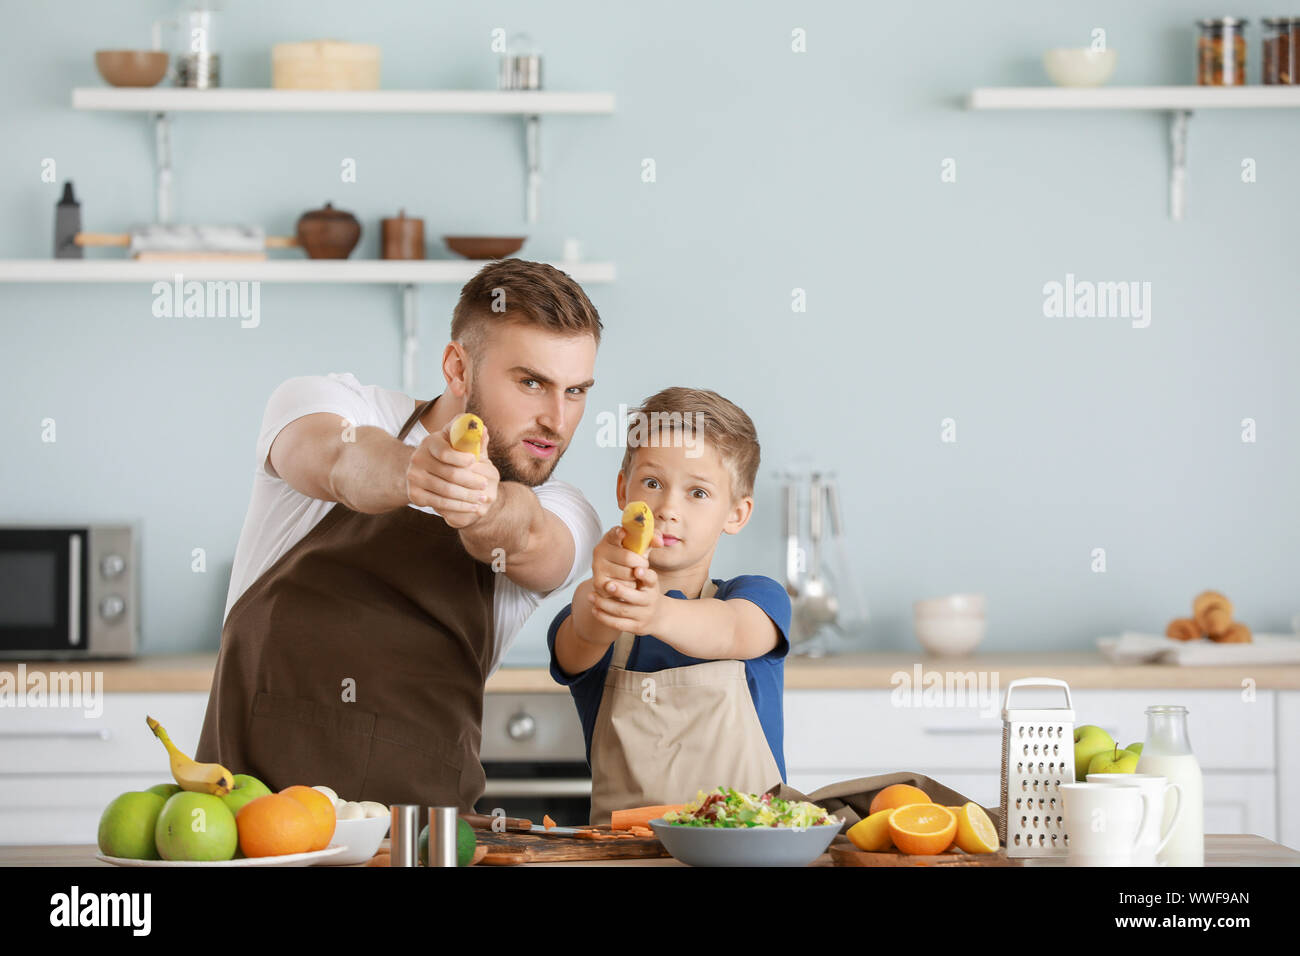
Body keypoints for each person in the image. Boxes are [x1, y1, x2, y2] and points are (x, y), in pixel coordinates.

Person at [196, 259, 605, 811]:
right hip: (245, 831)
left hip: (422, 846)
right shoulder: (329, 404)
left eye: (576, 391)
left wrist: (480, 506)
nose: (556, 420)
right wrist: (414, 472)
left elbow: (529, 537)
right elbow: (338, 457)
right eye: (531, 383)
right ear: (458, 368)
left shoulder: (565, 510)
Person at [547, 387, 791, 824]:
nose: (667, 509)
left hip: (749, 851)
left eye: (697, 492)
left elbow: (734, 631)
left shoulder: (756, 599)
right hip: (624, 857)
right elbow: (582, 632)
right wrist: (610, 593)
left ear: (736, 513)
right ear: (624, 490)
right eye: (653, 483)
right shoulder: (598, 609)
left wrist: (656, 613)